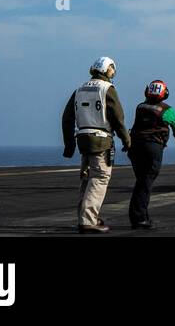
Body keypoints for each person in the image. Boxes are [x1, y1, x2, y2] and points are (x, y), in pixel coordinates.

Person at [62, 56, 131, 234]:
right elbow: (118, 118)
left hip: (83, 139)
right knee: (100, 178)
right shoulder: (107, 88)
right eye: (112, 69)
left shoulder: (79, 89)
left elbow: (67, 118)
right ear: (107, 69)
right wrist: (126, 140)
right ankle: (88, 220)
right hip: (101, 140)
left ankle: (85, 217)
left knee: (86, 178)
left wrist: (69, 145)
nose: (114, 72)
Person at [127, 79, 175, 231]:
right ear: (165, 94)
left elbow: (136, 127)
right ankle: (139, 218)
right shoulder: (167, 110)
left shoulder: (140, 107)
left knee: (141, 181)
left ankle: (143, 216)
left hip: (134, 147)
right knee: (146, 182)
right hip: (152, 148)